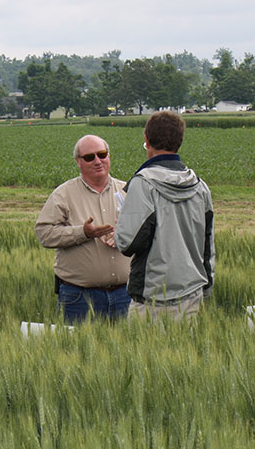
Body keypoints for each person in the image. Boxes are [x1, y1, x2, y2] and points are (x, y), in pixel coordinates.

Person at [114, 111, 215, 322]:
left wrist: (120, 226)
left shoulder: (143, 184)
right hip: (192, 294)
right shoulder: (200, 186)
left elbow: (127, 243)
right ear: (180, 141)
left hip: (153, 297)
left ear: (147, 140)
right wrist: (206, 290)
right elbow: (207, 245)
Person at [36, 134, 132, 323]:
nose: (98, 161)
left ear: (109, 156)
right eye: (89, 157)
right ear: (78, 162)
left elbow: (149, 231)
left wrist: (125, 235)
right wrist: (83, 233)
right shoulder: (63, 194)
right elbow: (44, 234)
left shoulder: (128, 191)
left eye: (102, 154)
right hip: (79, 297)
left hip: (126, 294)